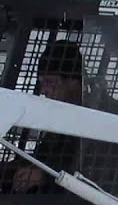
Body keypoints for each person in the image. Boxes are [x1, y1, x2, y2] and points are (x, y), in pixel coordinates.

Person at [8, 39, 84, 193]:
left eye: (50, 82)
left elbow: (92, 168)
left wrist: (43, 176)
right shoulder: (62, 116)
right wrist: (6, 170)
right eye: (41, 83)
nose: (44, 91)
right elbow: (42, 157)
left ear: (73, 81)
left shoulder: (99, 117)